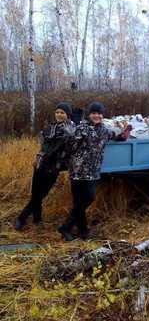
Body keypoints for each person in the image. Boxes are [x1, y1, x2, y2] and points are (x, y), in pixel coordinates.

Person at [58, 102, 132, 241]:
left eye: (99, 113)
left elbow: (117, 136)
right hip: (78, 170)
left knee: (83, 201)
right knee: (84, 200)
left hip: (93, 171)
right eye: (94, 113)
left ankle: (78, 230)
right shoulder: (81, 128)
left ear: (102, 115)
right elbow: (70, 145)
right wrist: (69, 135)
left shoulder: (104, 130)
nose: (96, 115)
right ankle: (71, 228)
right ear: (89, 114)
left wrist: (127, 130)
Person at [14, 102, 75, 231]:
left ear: (68, 115)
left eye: (62, 113)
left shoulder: (70, 128)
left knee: (41, 194)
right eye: (57, 112)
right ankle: (37, 219)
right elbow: (43, 143)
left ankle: (21, 218)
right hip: (40, 163)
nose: (59, 114)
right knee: (35, 193)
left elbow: (68, 144)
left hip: (53, 166)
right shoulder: (50, 127)